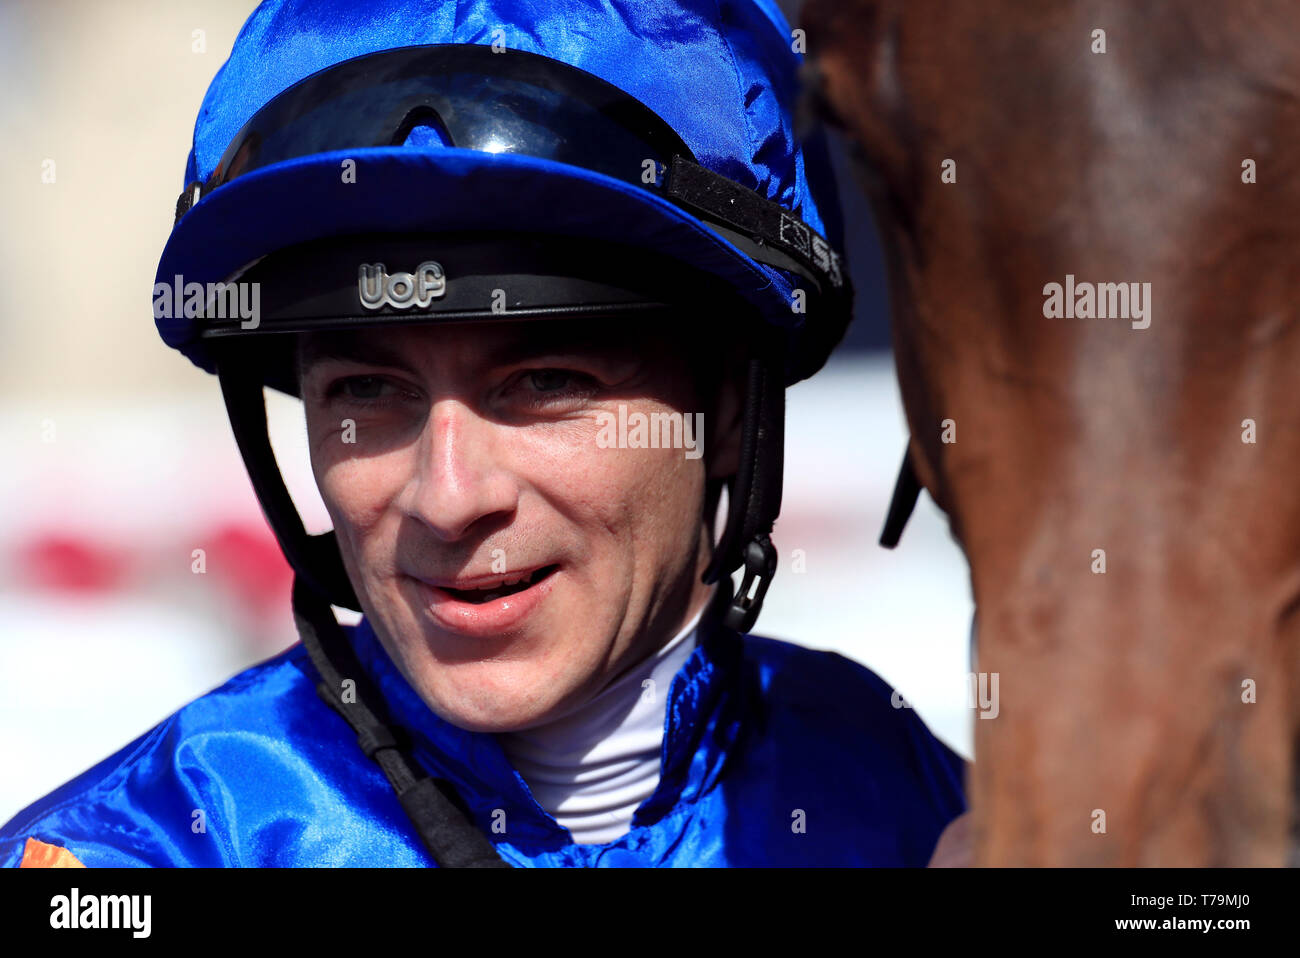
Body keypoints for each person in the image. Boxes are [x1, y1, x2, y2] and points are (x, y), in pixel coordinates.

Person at [1, 0, 966, 867]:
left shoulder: (944, 824)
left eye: (546, 382)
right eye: (369, 390)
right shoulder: (130, 857)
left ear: (733, 411)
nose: (450, 496)